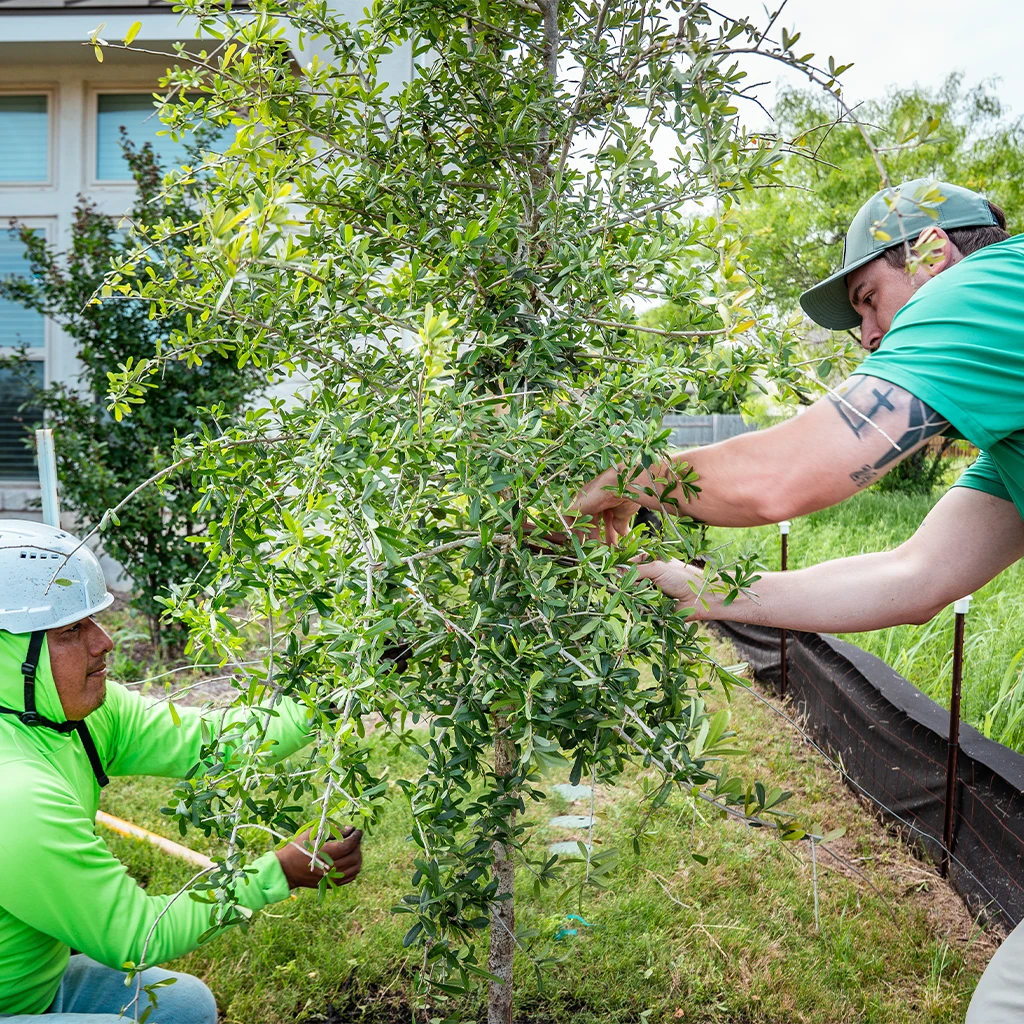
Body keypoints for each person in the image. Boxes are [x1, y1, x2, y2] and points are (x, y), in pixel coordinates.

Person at [572, 178, 1024, 1023]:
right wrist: (702, 593)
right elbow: (915, 578)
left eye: (868, 298)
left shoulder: (993, 285)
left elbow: (787, 477)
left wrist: (617, 474)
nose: (869, 333)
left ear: (932, 253)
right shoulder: (1013, 433)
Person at [0, 519, 363, 1021]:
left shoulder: (65, 717)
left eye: (93, 622)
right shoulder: (14, 794)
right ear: (10, 655)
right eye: (71, 631)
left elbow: (217, 740)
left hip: (27, 991)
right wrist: (277, 872)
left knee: (183, 1005)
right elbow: (134, 936)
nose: (104, 642)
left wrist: (345, 684)